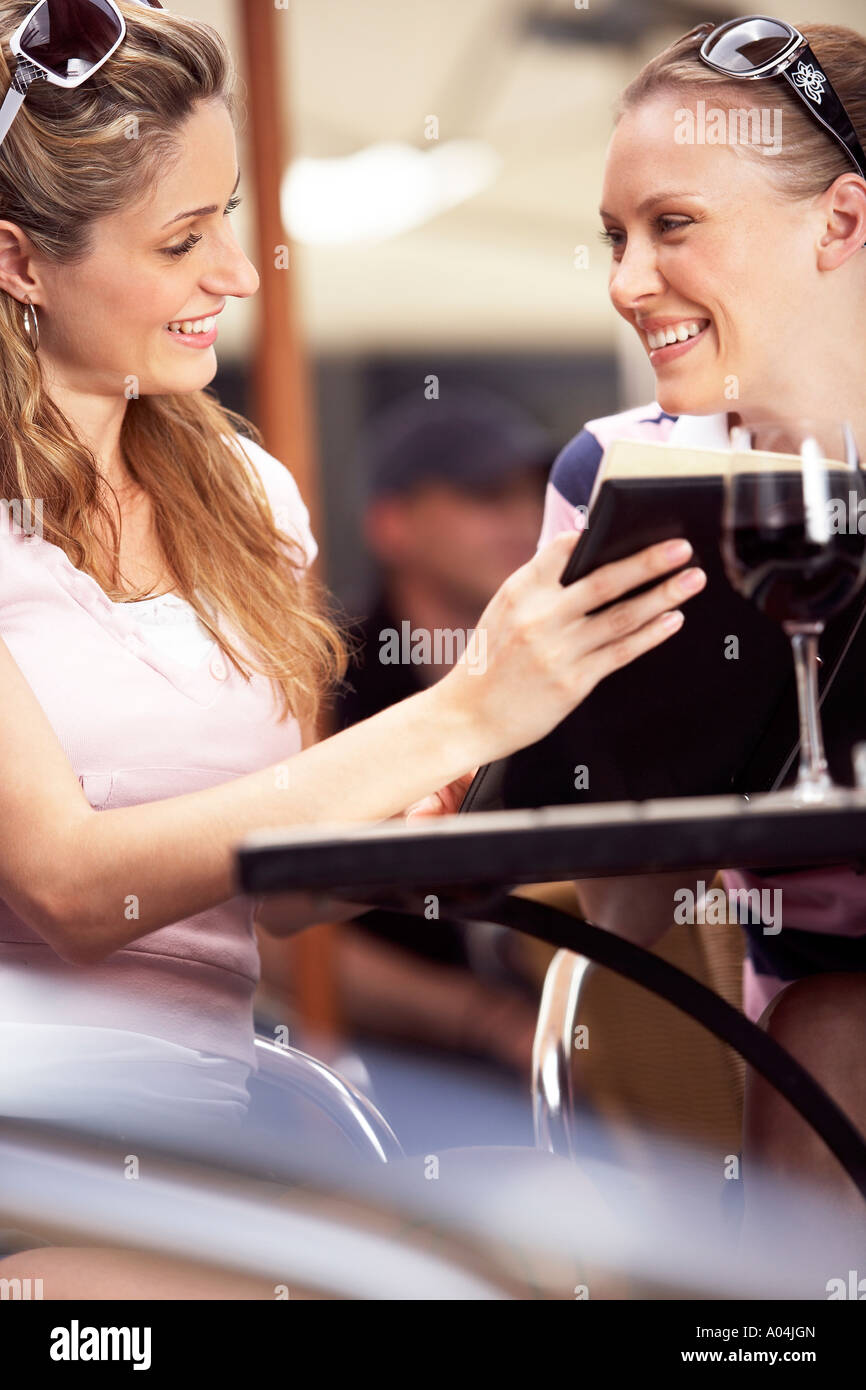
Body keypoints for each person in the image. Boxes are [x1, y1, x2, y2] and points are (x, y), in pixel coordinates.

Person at [0, 3, 704, 1290]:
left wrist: (419, 837)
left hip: (231, 1143)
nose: (237, 272)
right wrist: (465, 710)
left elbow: (268, 890)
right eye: (182, 237)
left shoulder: (247, 495)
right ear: (19, 262)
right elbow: (73, 888)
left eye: (227, 213)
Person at [530, 18, 866, 1240]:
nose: (625, 282)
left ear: (838, 222)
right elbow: (612, 863)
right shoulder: (616, 476)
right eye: (615, 239)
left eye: (671, 227)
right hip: (801, 1024)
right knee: (836, 1023)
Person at [331, 388, 553, 1081]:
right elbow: (282, 936)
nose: (524, 520)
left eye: (534, 494)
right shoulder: (320, 688)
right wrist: (486, 1022)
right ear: (392, 524)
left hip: (584, 1059)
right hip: (397, 1087)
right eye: (485, 495)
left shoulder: (575, 672)